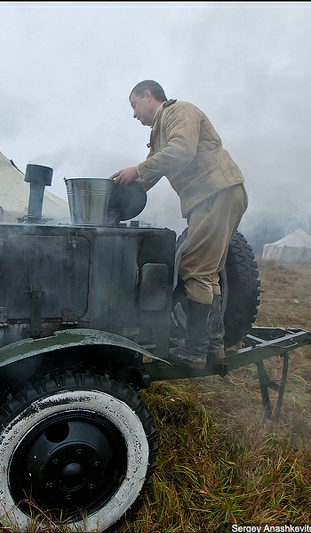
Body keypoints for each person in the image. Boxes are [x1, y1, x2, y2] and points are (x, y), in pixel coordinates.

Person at [111, 80, 247, 370]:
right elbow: (150, 175)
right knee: (206, 273)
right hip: (211, 196)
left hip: (214, 193)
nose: (134, 114)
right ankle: (213, 348)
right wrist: (116, 199)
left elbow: (182, 151)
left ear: (149, 96)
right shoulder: (159, 133)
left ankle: (195, 352)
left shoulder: (179, 112)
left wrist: (137, 170)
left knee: (193, 268)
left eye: (134, 105)